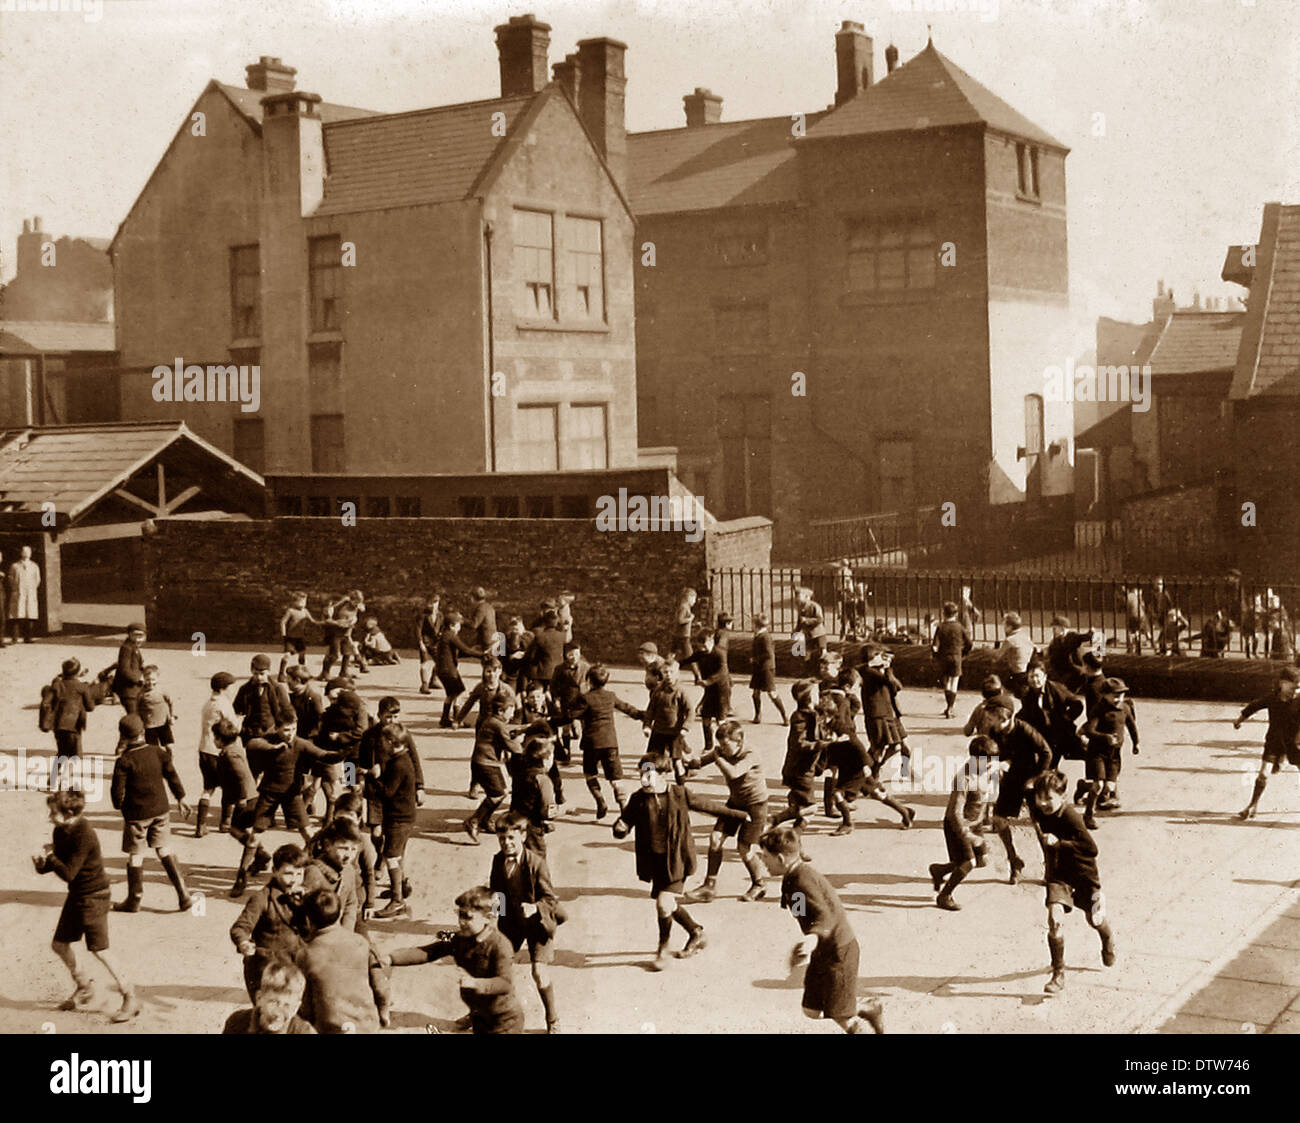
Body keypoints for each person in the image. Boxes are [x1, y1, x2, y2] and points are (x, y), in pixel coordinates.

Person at [758, 825, 884, 1034]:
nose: (762, 861)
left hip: (838, 951)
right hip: (822, 949)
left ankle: (859, 1020)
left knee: (841, 1014)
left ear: (780, 859)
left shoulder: (801, 879)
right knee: (811, 1010)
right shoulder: (792, 877)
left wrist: (812, 939)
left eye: (765, 857)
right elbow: (802, 911)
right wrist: (806, 941)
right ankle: (867, 1007)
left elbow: (824, 916)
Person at [33, 789, 140, 1023]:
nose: (49, 817)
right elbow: (61, 862)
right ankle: (84, 986)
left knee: (100, 949)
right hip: (78, 895)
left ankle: (130, 996)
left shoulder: (84, 833)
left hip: (95, 896)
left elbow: (69, 872)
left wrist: (51, 858)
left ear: (69, 812)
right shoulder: (61, 830)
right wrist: (43, 865)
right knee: (59, 944)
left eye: (53, 813)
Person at [611, 749, 712, 970]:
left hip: (678, 859)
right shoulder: (638, 799)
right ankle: (696, 932)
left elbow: (710, 807)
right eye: (641, 775)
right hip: (656, 862)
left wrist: (742, 815)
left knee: (663, 903)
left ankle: (663, 949)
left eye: (648, 775)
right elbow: (623, 825)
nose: (643, 779)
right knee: (669, 903)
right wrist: (619, 828)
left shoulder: (679, 794)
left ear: (663, 775)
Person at [382, 886, 524, 1034]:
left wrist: (477, 983)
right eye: (460, 915)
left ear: (488, 918)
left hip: (505, 1021)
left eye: (468, 917)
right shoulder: (460, 939)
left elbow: (505, 983)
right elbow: (430, 951)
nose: (461, 922)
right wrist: (391, 958)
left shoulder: (499, 945)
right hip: (480, 1016)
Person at [230, 717, 343, 897]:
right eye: (285, 730)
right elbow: (251, 744)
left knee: (308, 833)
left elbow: (324, 755)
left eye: (292, 729)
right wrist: (272, 747)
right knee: (254, 836)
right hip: (269, 793)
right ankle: (241, 878)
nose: (289, 734)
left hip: (292, 795)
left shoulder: (301, 744)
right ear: (278, 728)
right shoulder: (270, 740)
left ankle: (323, 871)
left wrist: (345, 752)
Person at [1027, 770, 1116, 995]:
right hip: (1059, 875)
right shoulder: (1037, 806)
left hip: (1083, 874)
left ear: (1063, 797)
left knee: (1095, 919)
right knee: (1054, 920)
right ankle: (1058, 973)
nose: (1044, 803)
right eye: (1040, 797)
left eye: (1050, 798)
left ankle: (1107, 939)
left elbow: (1091, 849)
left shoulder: (1070, 816)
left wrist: (1060, 844)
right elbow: (1027, 790)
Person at [110, 714, 193, 913]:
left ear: (123, 736)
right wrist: (181, 798)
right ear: (142, 732)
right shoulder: (159, 752)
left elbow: (117, 793)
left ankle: (134, 898)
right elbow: (172, 775)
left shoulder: (124, 760)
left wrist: (120, 805)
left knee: (136, 855)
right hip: (161, 810)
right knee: (164, 849)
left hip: (137, 815)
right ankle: (183, 893)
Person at [489, 813, 563, 1034]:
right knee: (494, 965)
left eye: (511, 838)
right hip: (511, 922)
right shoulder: (498, 860)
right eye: (502, 839)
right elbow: (497, 893)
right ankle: (481, 1013)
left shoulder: (536, 863)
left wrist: (535, 907)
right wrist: (494, 917)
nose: (507, 843)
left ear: (522, 836)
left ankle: (552, 1018)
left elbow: (550, 899)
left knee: (539, 972)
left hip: (537, 924)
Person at [684, 720, 770, 902]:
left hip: (756, 805)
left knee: (744, 848)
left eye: (725, 745)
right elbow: (700, 762)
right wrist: (686, 762)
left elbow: (734, 773)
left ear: (739, 741)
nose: (722, 748)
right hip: (735, 803)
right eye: (720, 744)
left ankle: (759, 884)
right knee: (715, 839)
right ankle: (709, 886)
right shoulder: (722, 752)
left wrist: (717, 757)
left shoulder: (751, 753)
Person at [230, 844, 323, 999]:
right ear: (274, 872)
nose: (294, 880)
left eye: (299, 874)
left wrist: (307, 904)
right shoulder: (261, 898)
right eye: (288, 874)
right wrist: (244, 943)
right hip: (267, 969)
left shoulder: (305, 896)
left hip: (296, 967)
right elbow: (240, 928)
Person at [295, 887, 389, 1032]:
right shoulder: (360, 942)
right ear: (339, 914)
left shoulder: (306, 954)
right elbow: (380, 985)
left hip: (328, 1026)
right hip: (365, 1023)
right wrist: (383, 1011)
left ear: (308, 920)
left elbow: (305, 1002)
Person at [929, 739, 1004, 910]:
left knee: (982, 860)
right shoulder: (964, 779)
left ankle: (939, 870)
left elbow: (990, 795)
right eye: (988, 760)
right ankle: (944, 896)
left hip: (975, 823)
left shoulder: (990, 771)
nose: (992, 763)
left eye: (994, 759)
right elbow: (954, 813)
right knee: (968, 862)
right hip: (957, 825)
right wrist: (967, 834)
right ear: (975, 759)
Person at [985, 701, 1052, 884]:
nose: (990, 722)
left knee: (1040, 826)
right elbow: (994, 754)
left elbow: (1047, 753)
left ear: (1005, 718)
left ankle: (1050, 868)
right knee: (998, 820)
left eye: (993, 719)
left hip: (1030, 779)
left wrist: (1036, 778)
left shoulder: (1025, 730)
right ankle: (1014, 861)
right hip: (1011, 780)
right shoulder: (994, 731)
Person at [568, 663, 637, 820]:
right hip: (610, 743)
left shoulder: (585, 698)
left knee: (590, 774)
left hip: (591, 744)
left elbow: (570, 715)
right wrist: (643, 715)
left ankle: (600, 800)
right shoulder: (610, 696)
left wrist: (552, 720)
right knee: (616, 779)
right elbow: (627, 708)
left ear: (589, 681)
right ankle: (623, 808)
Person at [366, 722, 420, 918]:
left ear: (390, 742)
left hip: (396, 814)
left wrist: (371, 778)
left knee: (391, 856)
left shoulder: (399, 763)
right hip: (398, 813)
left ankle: (398, 899)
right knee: (395, 852)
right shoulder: (400, 756)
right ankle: (400, 887)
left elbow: (388, 791)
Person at [1235, 666, 1300, 821]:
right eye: (1293, 687)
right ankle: (1252, 805)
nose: (1295, 691)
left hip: (1294, 745)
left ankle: (1281, 761)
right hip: (1274, 743)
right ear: (1282, 684)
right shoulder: (1272, 699)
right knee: (1263, 775)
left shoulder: (1299, 702)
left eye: (1298, 688)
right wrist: (1239, 720)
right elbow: (1254, 706)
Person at [772, 679, 831, 831]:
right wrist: (821, 744)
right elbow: (799, 743)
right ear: (808, 697)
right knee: (810, 808)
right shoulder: (800, 717)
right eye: (816, 692)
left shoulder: (814, 713)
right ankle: (776, 820)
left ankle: (795, 841)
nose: (819, 695)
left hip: (807, 767)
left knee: (805, 811)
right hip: (800, 769)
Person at [1079, 677, 1139, 827]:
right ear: (1104, 695)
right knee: (1099, 785)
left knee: (1109, 787)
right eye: (1114, 695)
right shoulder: (1099, 709)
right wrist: (1105, 737)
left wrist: (1136, 743)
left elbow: (1131, 726)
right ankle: (1088, 815)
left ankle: (1084, 786)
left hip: (1114, 756)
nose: (1118, 698)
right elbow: (1089, 730)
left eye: (1121, 694)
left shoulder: (1125, 708)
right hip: (1097, 753)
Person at [463, 696, 520, 844]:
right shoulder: (498, 725)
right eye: (511, 710)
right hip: (486, 764)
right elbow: (513, 747)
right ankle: (474, 820)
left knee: (495, 793)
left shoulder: (491, 721)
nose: (512, 714)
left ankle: (484, 820)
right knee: (499, 793)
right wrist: (524, 747)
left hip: (480, 762)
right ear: (501, 711)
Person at [1017, 657, 1084, 770]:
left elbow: (1077, 704)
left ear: (1045, 677)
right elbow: (1026, 711)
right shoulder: (1027, 693)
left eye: (1038, 676)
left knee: (1051, 763)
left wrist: (1065, 718)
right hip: (1040, 732)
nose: (1035, 680)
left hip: (1057, 732)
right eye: (1031, 676)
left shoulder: (1056, 689)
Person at [195, 671, 238, 837]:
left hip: (204, 749)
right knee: (228, 788)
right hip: (218, 751)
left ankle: (201, 824)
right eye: (231, 687)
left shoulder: (207, 704)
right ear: (222, 689)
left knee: (208, 789)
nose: (232, 690)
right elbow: (234, 727)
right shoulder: (224, 704)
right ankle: (225, 823)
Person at [859, 643, 911, 779]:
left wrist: (887, 669)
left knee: (901, 746)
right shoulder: (868, 671)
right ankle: (871, 770)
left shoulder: (883, 671)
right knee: (880, 747)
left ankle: (901, 769)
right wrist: (885, 669)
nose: (885, 660)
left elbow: (897, 686)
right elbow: (888, 682)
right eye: (882, 657)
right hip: (878, 714)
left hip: (891, 714)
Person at [221, 958, 315, 1034]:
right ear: (259, 998)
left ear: (297, 1007)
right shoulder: (237, 1023)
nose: (278, 1013)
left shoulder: (304, 1031)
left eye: (287, 1005)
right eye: (274, 1002)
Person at [680, 628, 729, 754]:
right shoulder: (700, 653)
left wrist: (708, 681)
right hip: (709, 691)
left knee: (721, 721)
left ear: (711, 640)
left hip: (721, 691)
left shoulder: (719, 653)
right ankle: (708, 746)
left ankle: (728, 744)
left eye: (705, 645)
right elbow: (688, 660)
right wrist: (675, 664)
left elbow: (722, 672)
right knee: (705, 719)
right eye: (700, 646)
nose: (703, 649)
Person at [233, 654, 295, 746]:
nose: (259, 677)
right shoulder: (245, 689)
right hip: (250, 734)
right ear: (251, 671)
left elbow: (287, 711)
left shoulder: (277, 688)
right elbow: (237, 711)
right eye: (255, 674)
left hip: (272, 733)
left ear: (269, 671)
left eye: (262, 674)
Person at [436, 611, 483, 727]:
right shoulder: (451, 635)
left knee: (451, 694)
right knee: (460, 691)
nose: (460, 627)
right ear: (452, 625)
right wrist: (482, 654)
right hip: (449, 670)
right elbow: (466, 650)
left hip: (442, 670)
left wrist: (473, 651)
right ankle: (458, 719)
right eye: (458, 624)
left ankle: (445, 718)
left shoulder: (444, 635)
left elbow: (459, 653)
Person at [47, 657, 97, 765]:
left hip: (58, 725)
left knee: (62, 752)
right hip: (74, 726)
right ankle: (65, 779)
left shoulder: (57, 685)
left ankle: (53, 777)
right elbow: (90, 707)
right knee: (76, 756)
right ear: (78, 672)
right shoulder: (82, 687)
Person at [931, 600, 971, 719]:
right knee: (954, 682)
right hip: (956, 656)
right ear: (956, 613)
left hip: (944, 657)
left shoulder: (941, 627)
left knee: (947, 682)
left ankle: (948, 706)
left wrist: (935, 656)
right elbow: (969, 643)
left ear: (943, 613)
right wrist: (963, 653)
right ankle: (951, 708)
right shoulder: (959, 627)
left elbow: (934, 646)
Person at [749, 613, 787, 725]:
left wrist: (755, 658)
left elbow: (768, 654)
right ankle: (758, 715)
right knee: (755, 692)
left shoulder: (765, 637)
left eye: (752, 624)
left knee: (772, 693)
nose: (752, 627)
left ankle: (784, 715)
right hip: (758, 668)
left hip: (766, 668)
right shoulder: (758, 635)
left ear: (756, 625)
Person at [278, 591, 318, 680]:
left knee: (302, 654)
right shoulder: (291, 611)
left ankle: (303, 672)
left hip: (300, 637)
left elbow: (313, 621)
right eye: (301, 602)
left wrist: (324, 621)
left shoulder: (305, 611)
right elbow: (283, 622)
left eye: (305, 602)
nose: (303, 604)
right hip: (290, 638)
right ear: (294, 602)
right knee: (287, 655)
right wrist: (283, 634)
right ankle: (281, 674)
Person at [7, 543, 41, 642]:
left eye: (28, 551)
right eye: (24, 551)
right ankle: (15, 637)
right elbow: (10, 578)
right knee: (16, 615)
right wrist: (16, 588)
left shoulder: (34, 566)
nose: (27, 553)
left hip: (30, 593)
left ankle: (28, 637)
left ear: (31, 553)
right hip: (18, 593)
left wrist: (32, 589)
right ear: (21, 553)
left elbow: (37, 579)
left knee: (29, 615)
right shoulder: (15, 566)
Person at [997, 613, 1036, 698]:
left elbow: (998, 655)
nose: (1003, 628)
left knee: (1003, 691)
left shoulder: (1010, 640)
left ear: (1010, 627)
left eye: (1004, 625)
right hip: (1026, 670)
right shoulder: (1026, 636)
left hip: (1016, 673)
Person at [111, 623, 147, 715]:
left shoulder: (133, 647)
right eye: (135, 635)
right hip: (129, 691)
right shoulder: (126, 648)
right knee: (134, 717)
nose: (138, 639)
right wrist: (139, 679)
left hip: (134, 689)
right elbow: (124, 669)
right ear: (129, 635)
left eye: (141, 636)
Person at [137, 664, 175, 748]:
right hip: (149, 725)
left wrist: (171, 716)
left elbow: (170, 702)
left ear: (157, 679)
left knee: (169, 746)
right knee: (153, 748)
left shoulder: (162, 690)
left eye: (153, 679)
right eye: (148, 679)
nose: (150, 682)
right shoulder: (141, 693)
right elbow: (137, 708)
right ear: (144, 679)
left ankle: (170, 759)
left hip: (163, 723)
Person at [795, 586, 827, 674]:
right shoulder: (800, 607)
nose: (797, 598)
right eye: (796, 596)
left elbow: (820, 619)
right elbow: (800, 621)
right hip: (808, 635)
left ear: (807, 597)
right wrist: (796, 631)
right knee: (806, 654)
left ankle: (823, 671)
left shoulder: (814, 606)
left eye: (799, 595)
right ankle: (808, 672)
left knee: (822, 653)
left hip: (818, 634)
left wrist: (807, 620)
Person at [415, 594, 444, 694]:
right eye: (431, 603)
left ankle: (434, 680)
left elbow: (442, 628)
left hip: (436, 643)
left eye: (435, 603)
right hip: (425, 642)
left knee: (440, 662)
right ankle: (424, 685)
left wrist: (441, 634)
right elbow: (418, 630)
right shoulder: (422, 615)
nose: (433, 605)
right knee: (424, 663)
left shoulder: (440, 615)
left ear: (438, 603)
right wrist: (420, 643)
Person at [670, 587, 697, 665]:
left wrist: (693, 623)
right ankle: (698, 675)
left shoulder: (685, 607)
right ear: (689, 598)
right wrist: (690, 619)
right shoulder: (684, 607)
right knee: (691, 656)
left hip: (678, 634)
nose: (694, 602)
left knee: (671, 654)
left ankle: (665, 669)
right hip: (683, 636)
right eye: (694, 599)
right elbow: (680, 620)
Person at [469, 586, 498, 654]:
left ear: (473, 598)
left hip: (488, 642)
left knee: (489, 662)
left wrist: (461, 620)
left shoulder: (481, 608)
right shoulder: (488, 606)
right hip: (492, 640)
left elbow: (474, 624)